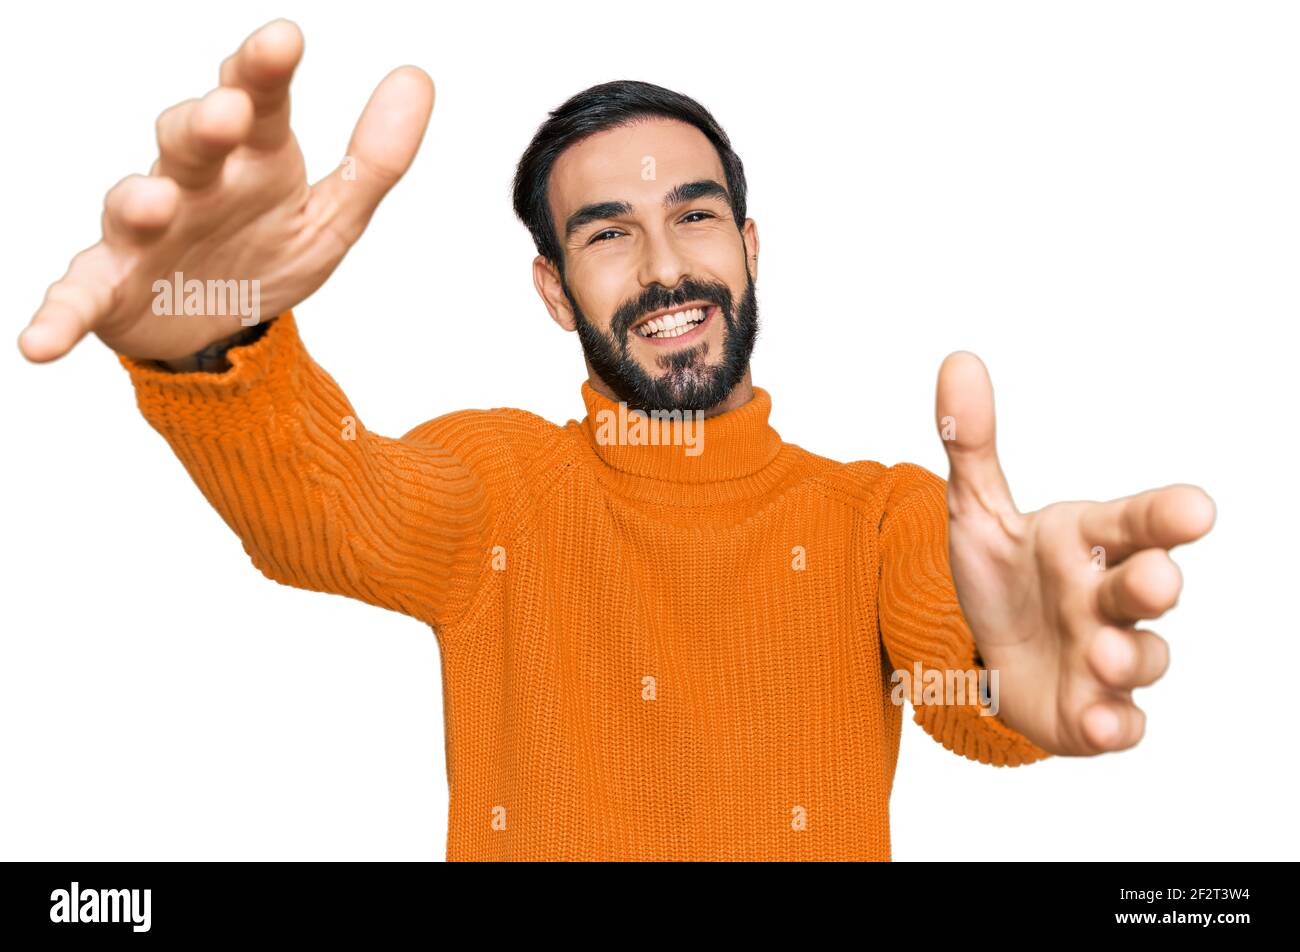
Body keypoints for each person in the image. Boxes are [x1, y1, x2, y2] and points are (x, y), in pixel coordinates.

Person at [18, 19, 1216, 861]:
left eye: (693, 217)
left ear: (751, 245)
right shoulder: (499, 487)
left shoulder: (883, 514)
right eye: (606, 234)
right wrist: (207, 334)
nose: (663, 270)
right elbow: (322, 512)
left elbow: (959, 676)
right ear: (553, 289)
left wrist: (1014, 681)